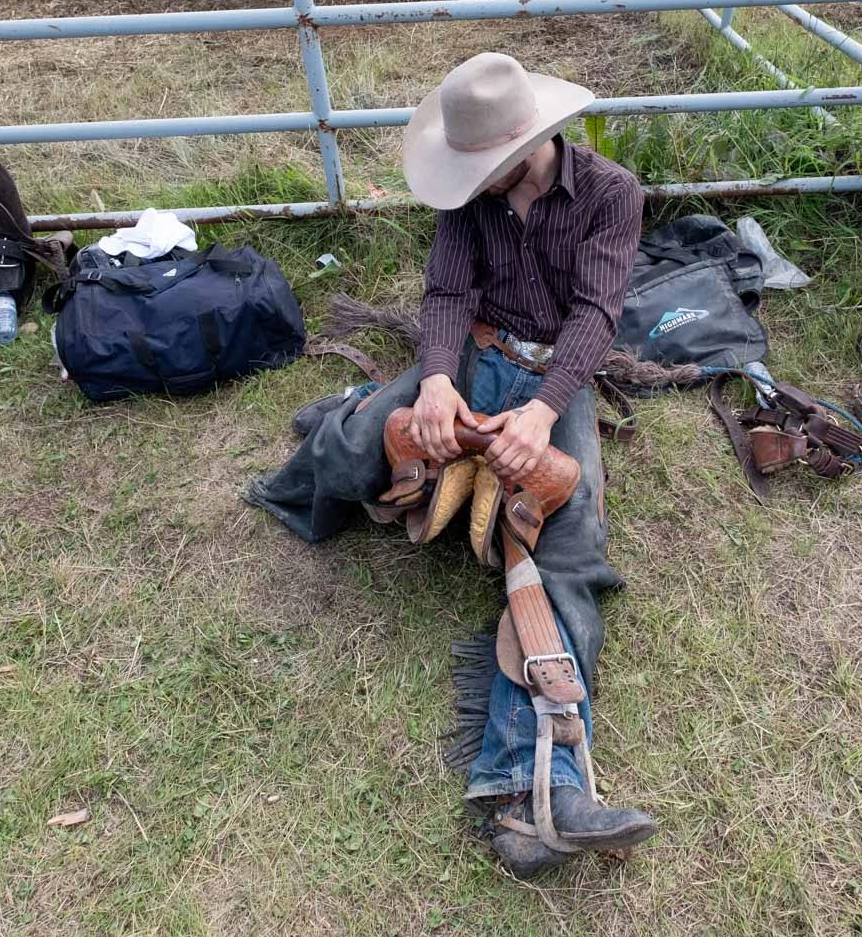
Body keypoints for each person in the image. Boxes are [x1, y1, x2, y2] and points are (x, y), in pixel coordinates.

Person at [248, 52, 656, 878]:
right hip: (472, 354)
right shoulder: (472, 199)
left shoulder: (612, 194)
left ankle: (530, 787)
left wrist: (543, 413)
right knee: (365, 444)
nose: (469, 181)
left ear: (526, 141)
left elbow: (595, 314)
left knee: (571, 550)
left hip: (552, 380)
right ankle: (331, 442)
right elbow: (445, 296)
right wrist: (435, 381)